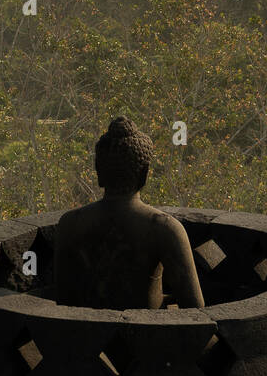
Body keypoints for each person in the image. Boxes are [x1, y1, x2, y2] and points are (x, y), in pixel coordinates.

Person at [54, 116, 205, 310]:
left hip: (86, 336)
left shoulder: (69, 224)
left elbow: (63, 301)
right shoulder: (165, 229)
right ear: (144, 174)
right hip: (147, 337)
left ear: (99, 172)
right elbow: (195, 308)